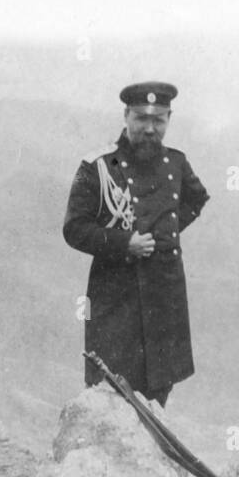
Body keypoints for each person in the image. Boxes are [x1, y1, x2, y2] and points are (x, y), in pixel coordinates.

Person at [63, 82, 210, 405]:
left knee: (159, 386)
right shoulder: (98, 167)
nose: (149, 129)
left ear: (168, 119)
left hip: (164, 291)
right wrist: (123, 243)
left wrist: (165, 233)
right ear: (126, 115)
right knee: (111, 389)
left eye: (158, 120)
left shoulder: (176, 163)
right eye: (141, 118)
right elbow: (74, 228)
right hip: (116, 295)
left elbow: (196, 200)